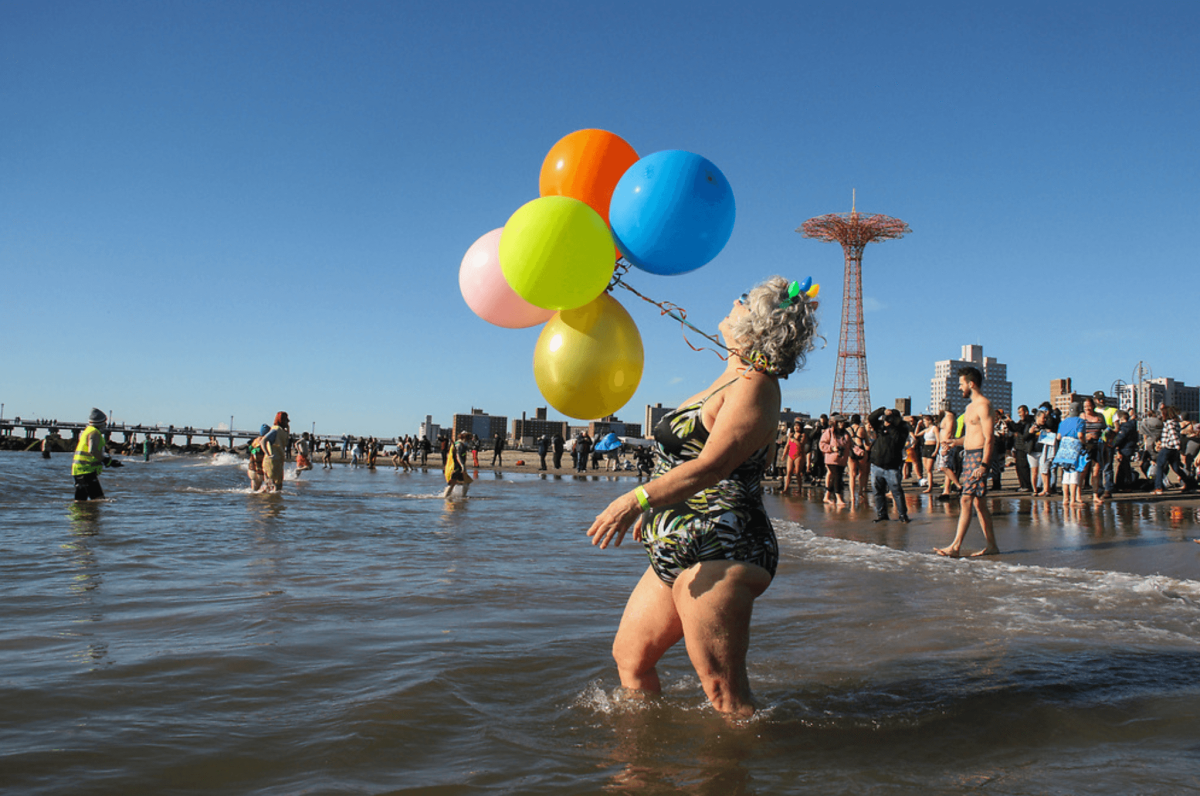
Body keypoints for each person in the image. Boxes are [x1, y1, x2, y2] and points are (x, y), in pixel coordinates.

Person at [585, 275, 819, 718]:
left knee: (724, 693)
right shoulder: (728, 378)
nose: (733, 298)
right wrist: (660, 509)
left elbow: (713, 466)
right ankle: (643, 769)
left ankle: (734, 776)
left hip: (723, 547)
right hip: (678, 543)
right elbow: (679, 461)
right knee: (631, 660)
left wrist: (635, 500)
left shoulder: (756, 387)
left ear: (754, 327)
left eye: (743, 300)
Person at [935, 367, 999, 557]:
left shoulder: (984, 405)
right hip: (969, 455)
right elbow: (971, 436)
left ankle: (955, 546)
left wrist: (984, 465)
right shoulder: (969, 407)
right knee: (979, 504)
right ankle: (992, 545)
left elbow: (989, 438)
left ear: (971, 384)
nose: (959, 387)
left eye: (961, 384)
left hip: (979, 457)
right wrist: (954, 442)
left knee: (965, 499)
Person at [868, 407, 910, 523]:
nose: (887, 420)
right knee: (878, 492)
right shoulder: (881, 427)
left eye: (890, 418)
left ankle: (902, 515)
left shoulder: (902, 429)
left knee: (896, 492)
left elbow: (897, 439)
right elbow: (871, 418)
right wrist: (882, 411)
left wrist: (891, 424)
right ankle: (882, 515)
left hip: (892, 467)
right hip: (877, 465)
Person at [72, 408, 117, 501]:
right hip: (87, 471)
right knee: (98, 500)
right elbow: (93, 451)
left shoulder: (87, 430)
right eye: (104, 422)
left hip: (78, 470)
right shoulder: (94, 432)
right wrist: (106, 461)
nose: (105, 425)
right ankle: (91, 515)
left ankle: (77, 515)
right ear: (100, 422)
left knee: (80, 501)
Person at [819, 415, 851, 506]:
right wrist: (832, 448)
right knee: (837, 477)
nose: (842, 424)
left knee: (834, 478)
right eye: (839, 422)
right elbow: (822, 444)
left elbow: (851, 444)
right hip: (831, 459)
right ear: (835, 423)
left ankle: (827, 496)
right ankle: (839, 498)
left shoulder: (845, 433)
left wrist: (860, 451)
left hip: (842, 460)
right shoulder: (829, 432)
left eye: (843, 422)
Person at [261, 412, 290, 492]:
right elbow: (263, 440)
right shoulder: (275, 429)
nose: (287, 422)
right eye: (286, 420)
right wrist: (267, 453)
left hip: (278, 461)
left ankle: (272, 501)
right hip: (272, 460)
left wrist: (288, 430)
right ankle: (269, 502)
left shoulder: (281, 431)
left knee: (277, 485)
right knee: (272, 484)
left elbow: (286, 442)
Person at [443, 431, 472, 498]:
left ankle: (449, 497)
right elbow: (458, 455)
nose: (469, 441)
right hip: (456, 466)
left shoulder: (457, 444)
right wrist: (462, 465)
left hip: (456, 466)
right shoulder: (459, 445)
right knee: (454, 482)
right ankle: (447, 497)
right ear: (464, 438)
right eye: (468, 440)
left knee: (464, 482)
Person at [781, 419, 805, 494]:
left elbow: (801, 445)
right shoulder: (791, 435)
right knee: (789, 472)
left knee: (798, 472)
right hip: (791, 454)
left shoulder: (803, 435)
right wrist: (784, 455)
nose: (796, 427)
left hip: (799, 455)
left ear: (801, 427)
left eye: (798, 426)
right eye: (795, 426)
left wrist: (794, 440)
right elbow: (787, 446)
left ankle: (800, 488)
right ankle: (786, 488)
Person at [247, 425, 269, 492]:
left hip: (252, 468)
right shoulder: (265, 442)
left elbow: (250, 451)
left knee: (253, 490)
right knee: (265, 487)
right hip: (260, 469)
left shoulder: (255, 440)